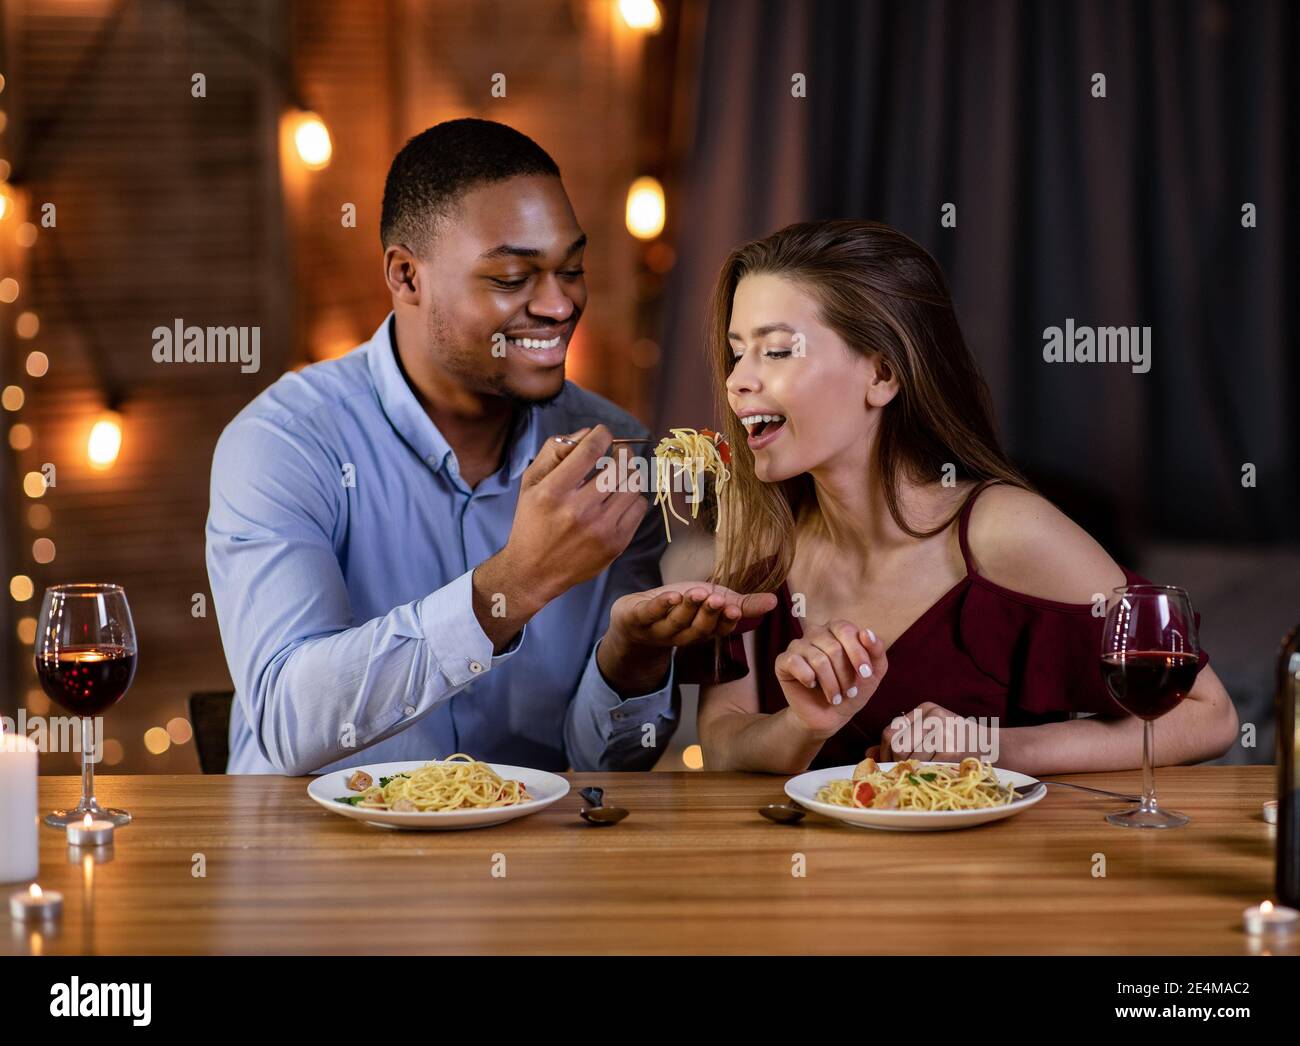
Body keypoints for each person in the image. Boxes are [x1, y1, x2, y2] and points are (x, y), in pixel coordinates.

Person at [206, 118, 775, 775]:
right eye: (512, 278)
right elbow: (289, 723)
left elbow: (610, 767)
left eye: (572, 269)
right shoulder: (282, 444)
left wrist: (632, 657)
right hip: (318, 863)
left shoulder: (615, 453)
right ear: (406, 276)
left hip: (537, 864)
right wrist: (516, 583)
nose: (560, 305)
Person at [691, 219, 1238, 774]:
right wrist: (801, 725)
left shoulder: (1006, 531)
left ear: (882, 374)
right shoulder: (759, 529)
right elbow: (722, 743)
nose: (737, 380)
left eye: (778, 351)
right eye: (738, 352)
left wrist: (994, 749)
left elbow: (1210, 715)